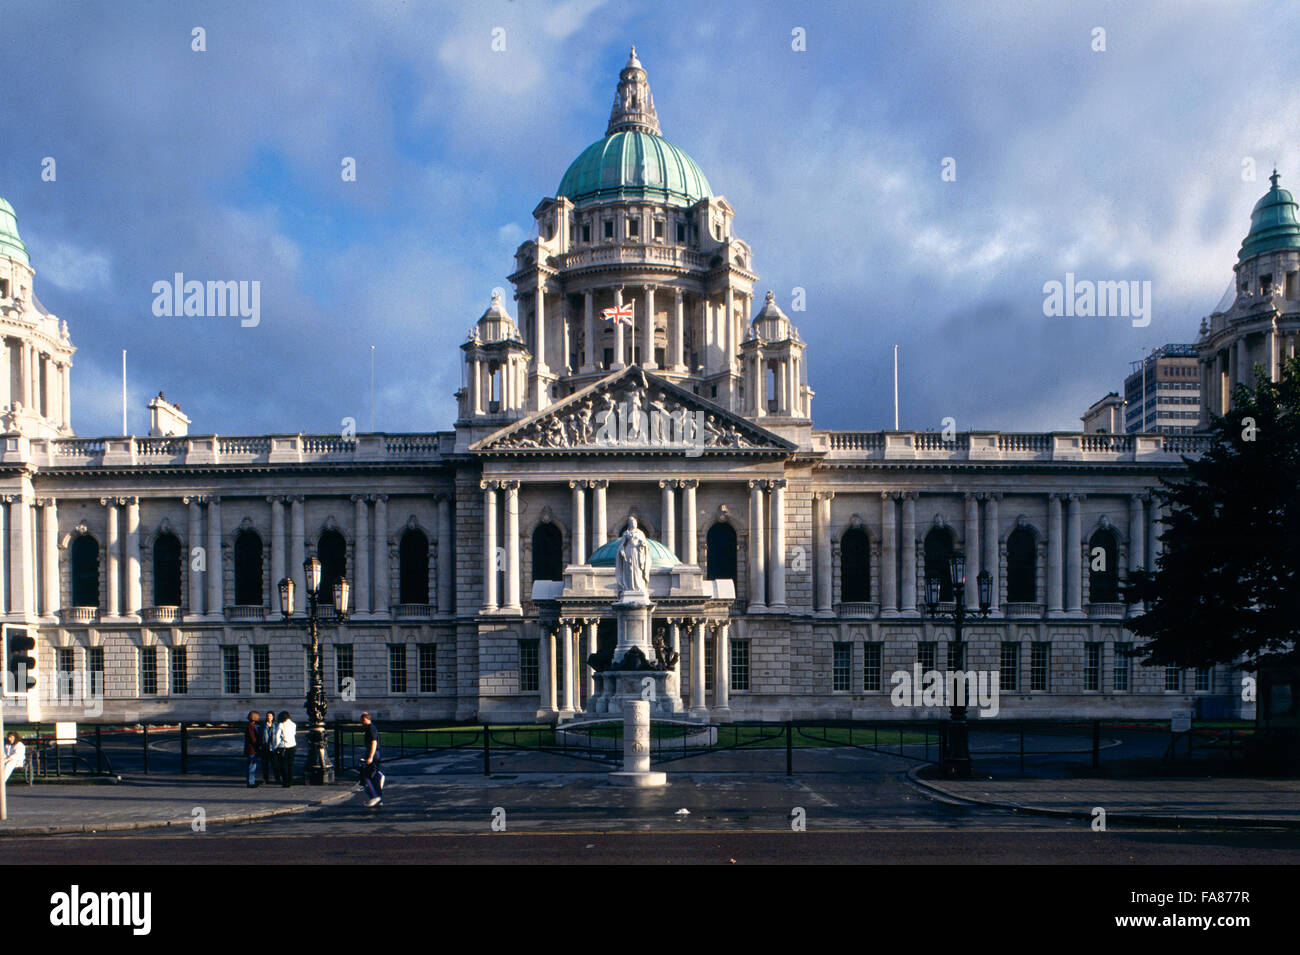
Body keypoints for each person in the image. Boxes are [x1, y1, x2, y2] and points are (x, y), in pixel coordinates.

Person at [358, 712, 383, 807]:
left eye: (361, 720)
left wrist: (370, 757)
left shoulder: (370, 729)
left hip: (373, 753)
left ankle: (374, 796)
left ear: (364, 719)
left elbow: (374, 743)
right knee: (375, 776)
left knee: (366, 776)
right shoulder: (372, 727)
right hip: (376, 753)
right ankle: (379, 798)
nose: (361, 722)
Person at [275, 711, 297, 788]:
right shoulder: (293, 724)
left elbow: (277, 736)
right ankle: (290, 781)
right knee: (290, 765)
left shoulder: (281, 725)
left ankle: (285, 781)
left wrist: (276, 746)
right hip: (292, 745)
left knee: (283, 765)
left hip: (283, 747)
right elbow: (294, 734)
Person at [260, 711, 279, 784]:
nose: (269, 717)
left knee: (275, 765)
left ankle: (277, 778)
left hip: (273, 747)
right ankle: (266, 779)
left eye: (270, 716)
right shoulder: (263, 725)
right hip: (265, 747)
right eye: (267, 716)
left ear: (273, 717)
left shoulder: (276, 725)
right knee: (265, 765)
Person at [243, 711, 261, 787]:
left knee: (251, 765)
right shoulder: (251, 726)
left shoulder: (251, 726)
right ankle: (251, 782)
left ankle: (251, 781)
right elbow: (253, 738)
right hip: (252, 749)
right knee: (252, 766)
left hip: (250, 748)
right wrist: (259, 745)